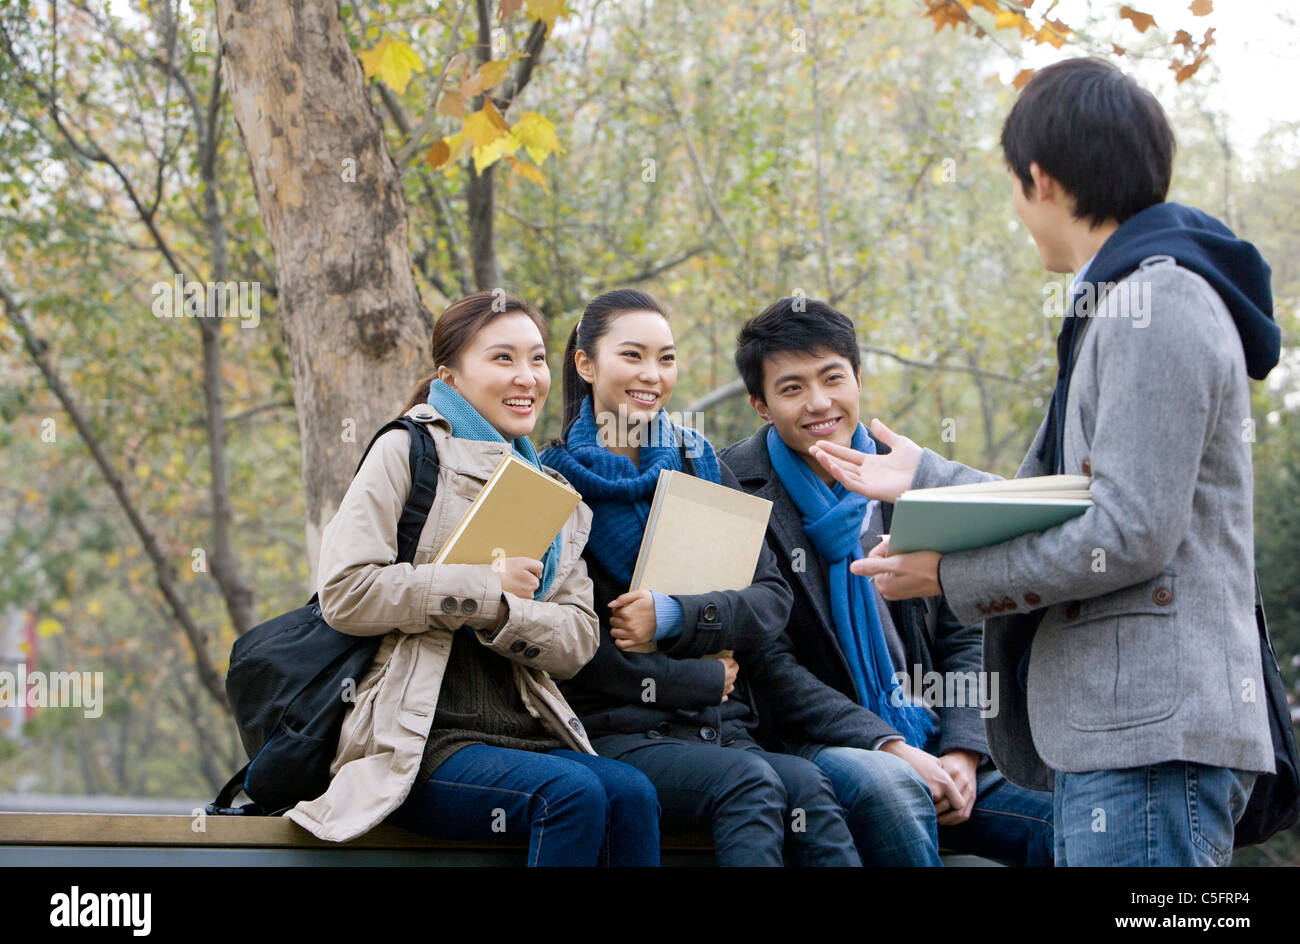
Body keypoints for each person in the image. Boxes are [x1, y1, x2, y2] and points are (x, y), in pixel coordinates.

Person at [811, 57, 1280, 867]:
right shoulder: (1129, 300)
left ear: (1040, 178)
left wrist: (948, 578)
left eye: (1014, 187)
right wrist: (929, 475)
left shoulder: (1153, 304)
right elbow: (1079, 501)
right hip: (1122, 738)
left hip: (1146, 738)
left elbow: (1128, 531)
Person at [284, 291, 661, 866]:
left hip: (528, 733)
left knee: (632, 792)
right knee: (572, 795)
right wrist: (483, 588)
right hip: (416, 742)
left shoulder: (554, 492)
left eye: (536, 360)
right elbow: (345, 592)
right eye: (502, 359)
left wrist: (506, 611)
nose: (526, 378)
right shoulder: (405, 451)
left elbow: (580, 638)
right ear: (450, 374)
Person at [719, 296, 1054, 866]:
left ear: (856, 379)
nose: (819, 402)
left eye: (833, 378)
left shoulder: (905, 478)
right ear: (761, 404)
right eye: (792, 388)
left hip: (935, 732)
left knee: (1068, 814)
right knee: (888, 787)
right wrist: (892, 746)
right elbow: (767, 663)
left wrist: (963, 750)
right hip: (822, 744)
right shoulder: (735, 490)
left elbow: (965, 631)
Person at [539, 289, 861, 866]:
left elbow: (770, 600)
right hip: (617, 734)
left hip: (722, 728)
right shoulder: (552, 486)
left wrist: (676, 615)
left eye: (666, 358)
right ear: (586, 365)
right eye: (632, 355)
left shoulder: (700, 464)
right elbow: (571, 649)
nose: (652, 374)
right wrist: (702, 681)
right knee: (751, 783)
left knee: (811, 788)